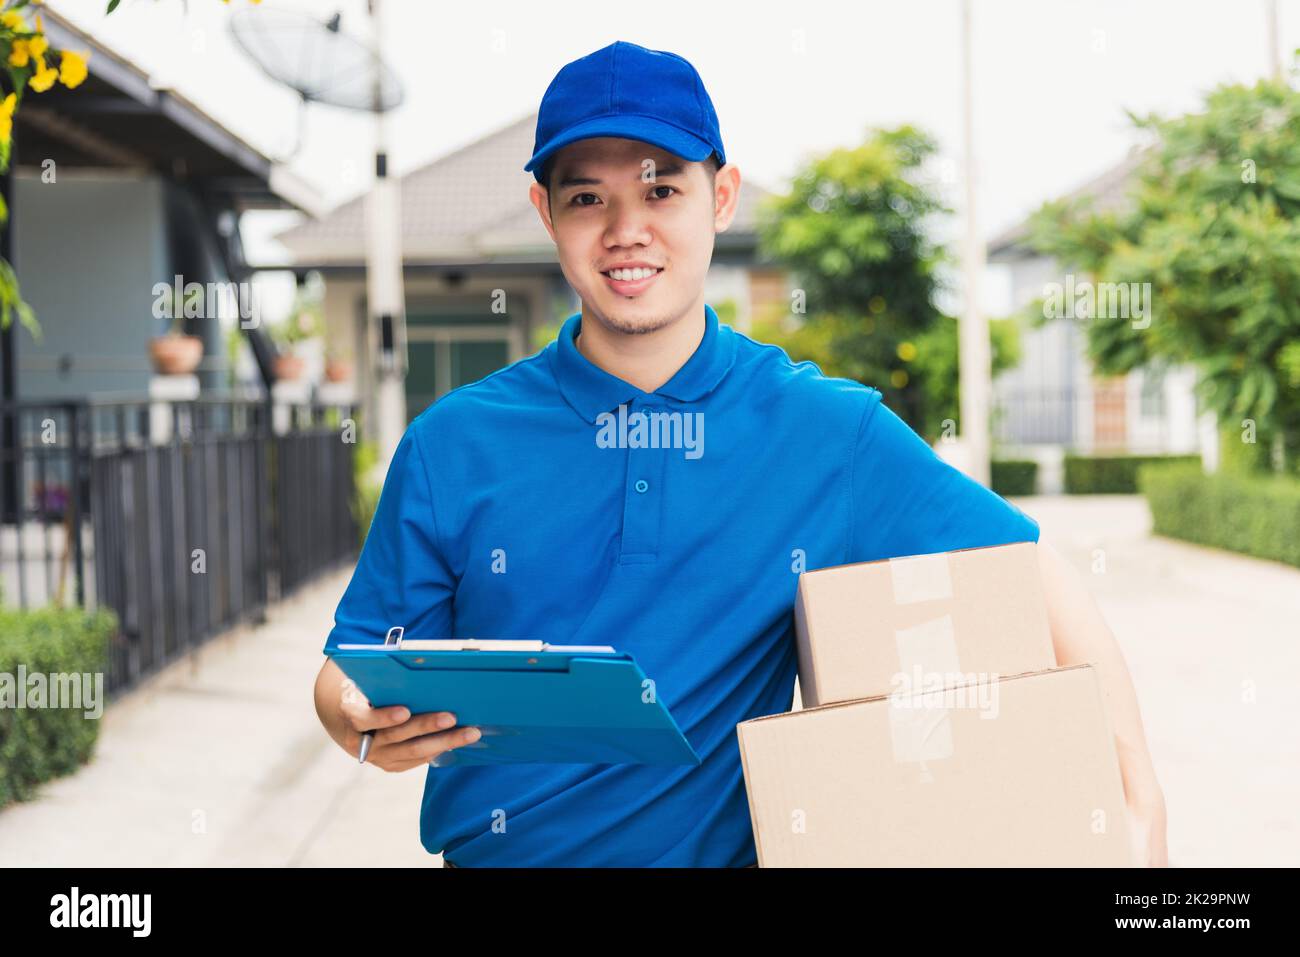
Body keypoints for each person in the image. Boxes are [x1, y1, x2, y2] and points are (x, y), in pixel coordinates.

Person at [313, 40, 1168, 868]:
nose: (626, 230)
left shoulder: (826, 431)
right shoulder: (453, 443)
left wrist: (1139, 805)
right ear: (546, 212)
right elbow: (348, 668)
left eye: (661, 191)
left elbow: (1032, 567)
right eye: (587, 200)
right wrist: (361, 724)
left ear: (721, 197)